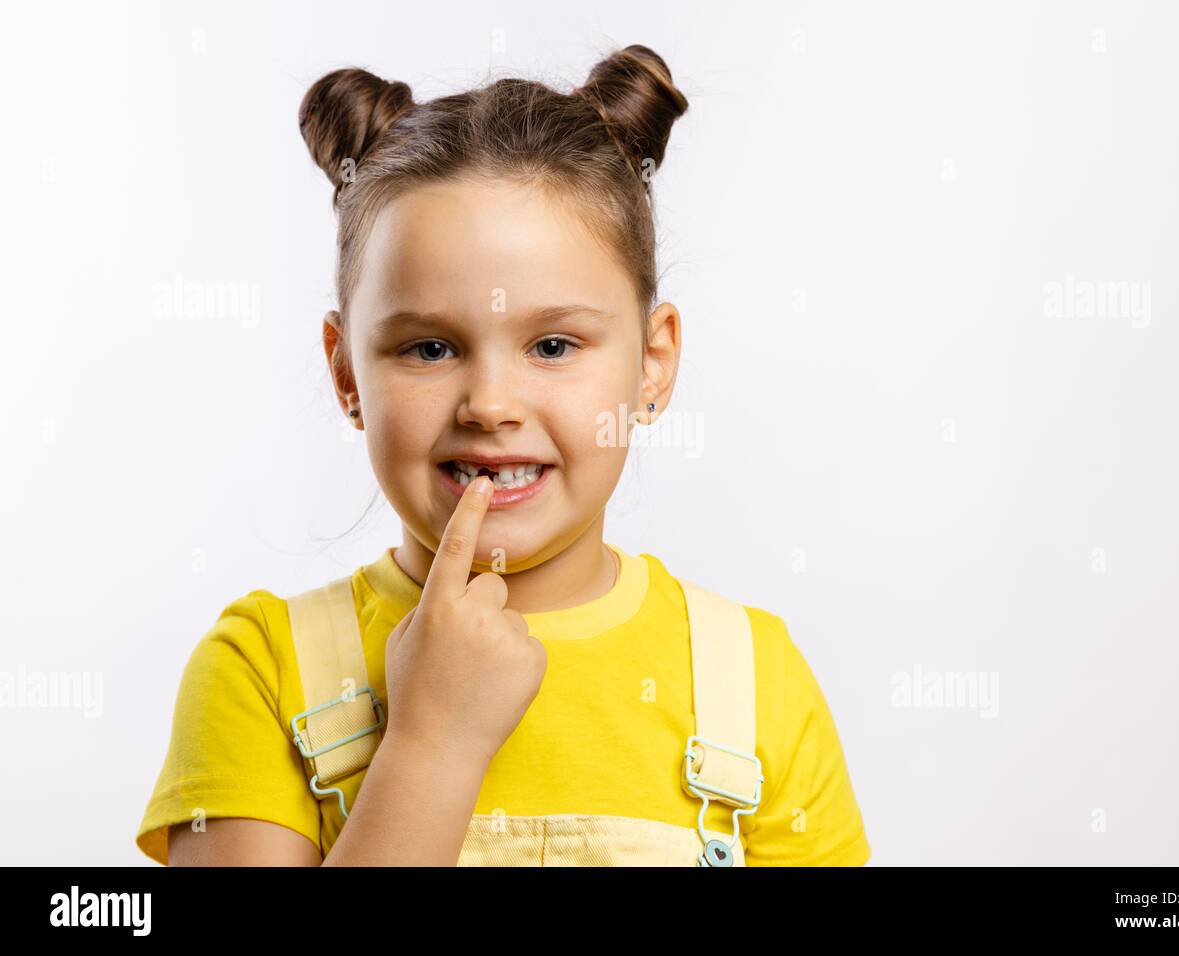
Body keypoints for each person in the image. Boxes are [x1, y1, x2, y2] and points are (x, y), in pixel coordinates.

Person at [135, 44, 870, 866]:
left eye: (553, 345)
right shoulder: (262, 671)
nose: (489, 404)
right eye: (428, 348)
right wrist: (430, 746)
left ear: (653, 361)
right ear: (346, 372)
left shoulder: (753, 682)